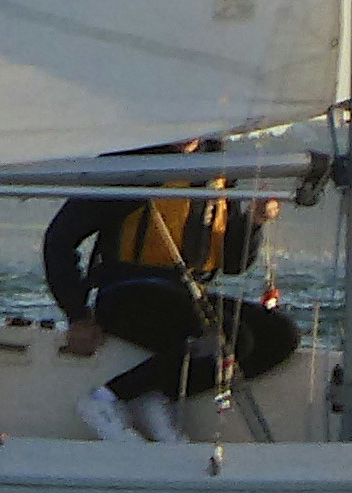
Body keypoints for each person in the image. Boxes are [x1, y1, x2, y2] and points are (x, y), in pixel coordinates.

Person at [43, 152, 300, 442]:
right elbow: (59, 239)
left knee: (280, 334)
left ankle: (151, 395)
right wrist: (77, 313)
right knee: (229, 335)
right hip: (125, 293)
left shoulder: (216, 169)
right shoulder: (135, 168)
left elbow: (232, 263)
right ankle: (106, 398)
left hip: (186, 292)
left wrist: (253, 222)